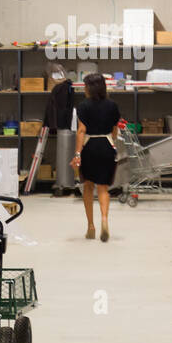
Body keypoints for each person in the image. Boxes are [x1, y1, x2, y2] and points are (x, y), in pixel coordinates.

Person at [71, 72, 121, 241]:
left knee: (88, 187)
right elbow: (114, 132)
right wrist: (109, 142)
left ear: (89, 88)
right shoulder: (112, 105)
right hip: (107, 146)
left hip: (89, 148)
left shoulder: (83, 106)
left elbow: (81, 131)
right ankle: (105, 219)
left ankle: (91, 226)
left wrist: (77, 154)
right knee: (103, 188)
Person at [42, 62, 77, 195]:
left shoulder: (61, 88)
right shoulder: (63, 88)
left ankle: (66, 182)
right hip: (64, 126)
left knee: (68, 155)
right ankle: (63, 182)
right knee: (64, 155)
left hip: (65, 126)